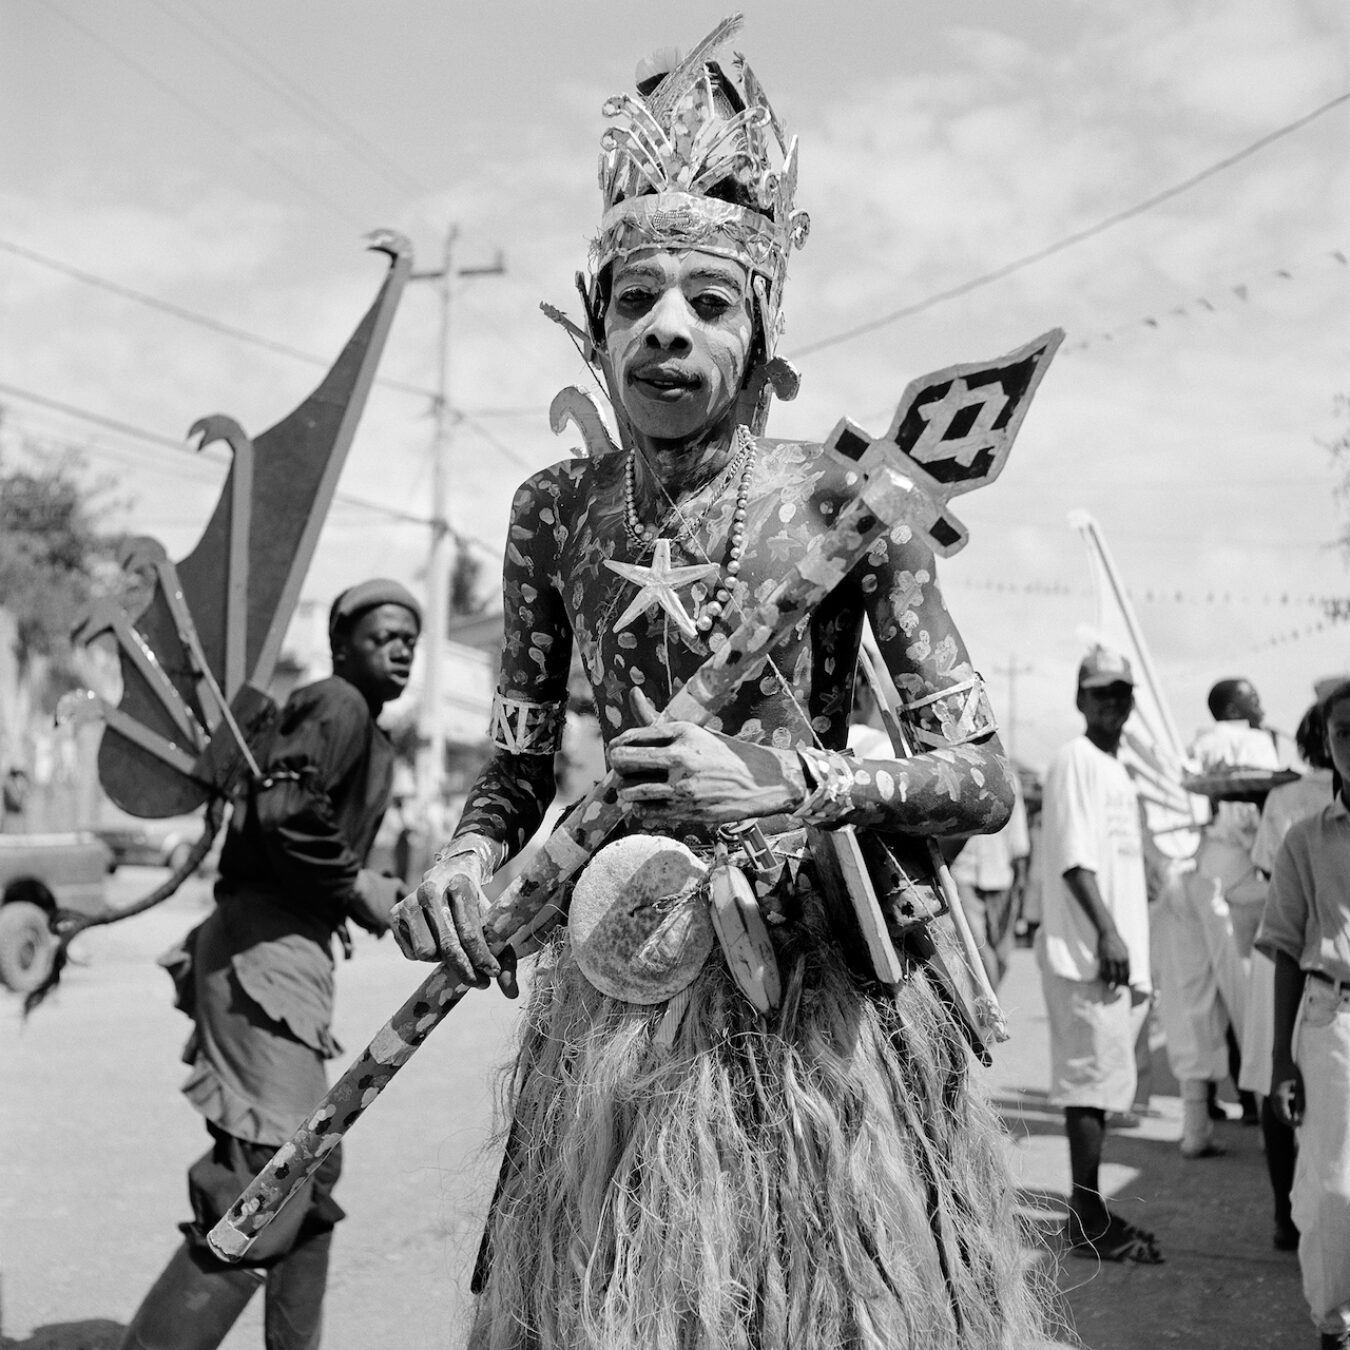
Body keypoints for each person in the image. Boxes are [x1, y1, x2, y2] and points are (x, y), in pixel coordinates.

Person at [392, 23, 1053, 1350]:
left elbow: (983, 778)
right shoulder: (551, 513)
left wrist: (790, 780)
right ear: (595, 325)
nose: (667, 329)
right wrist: (465, 863)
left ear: (761, 329)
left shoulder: (848, 502)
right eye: (636, 298)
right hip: (613, 992)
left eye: (708, 299)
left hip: (813, 1009)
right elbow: (517, 765)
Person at [118, 579, 420, 1350]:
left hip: (288, 949)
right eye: (384, 634)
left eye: (410, 638)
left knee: (310, 1167)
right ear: (341, 644)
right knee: (269, 1175)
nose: (402, 647)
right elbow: (285, 813)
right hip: (262, 948)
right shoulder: (337, 703)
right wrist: (354, 885)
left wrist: (359, 889)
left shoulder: (364, 729)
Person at [1036, 645, 1161, 1263]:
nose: (1113, 701)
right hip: (1086, 955)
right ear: (1080, 699)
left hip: (1113, 958)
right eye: (1101, 691)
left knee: (1105, 1084)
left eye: (1122, 691)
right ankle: (1086, 1221)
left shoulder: (1116, 768)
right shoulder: (1074, 760)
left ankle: (1091, 1210)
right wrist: (1109, 933)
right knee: (1087, 1087)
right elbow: (1072, 859)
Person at [1260, 678, 1350, 1350]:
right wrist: (1280, 1060)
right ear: (1327, 742)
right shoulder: (1305, 840)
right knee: (1332, 1190)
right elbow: (1287, 952)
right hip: (1332, 1021)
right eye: (1345, 732)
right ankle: (1334, 1325)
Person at [1157, 676, 1280, 1156]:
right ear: (1233, 708)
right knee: (1253, 1004)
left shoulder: (1198, 744)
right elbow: (1251, 823)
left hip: (1195, 874)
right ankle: (1271, 1128)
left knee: (1195, 1000)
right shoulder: (1252, 741)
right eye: (1254, 699)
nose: (1261, 707)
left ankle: (1196, 1130)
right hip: (1237, 883)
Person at [1244, 699, 1334, 1251]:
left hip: (1282, 953)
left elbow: (1264, 869)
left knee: (1274, 1079)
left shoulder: (1285, 797)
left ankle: (1284, 1215)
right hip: (1329, 962)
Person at [950, 774, 1031, 988]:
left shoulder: (1008, 775)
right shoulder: (957, 772)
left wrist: (1021, 873)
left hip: (1001, 872)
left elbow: (1018, 827)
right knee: (977, 946)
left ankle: (990, 997)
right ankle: (989, 1003)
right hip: (965, 871)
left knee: (1002, 953)